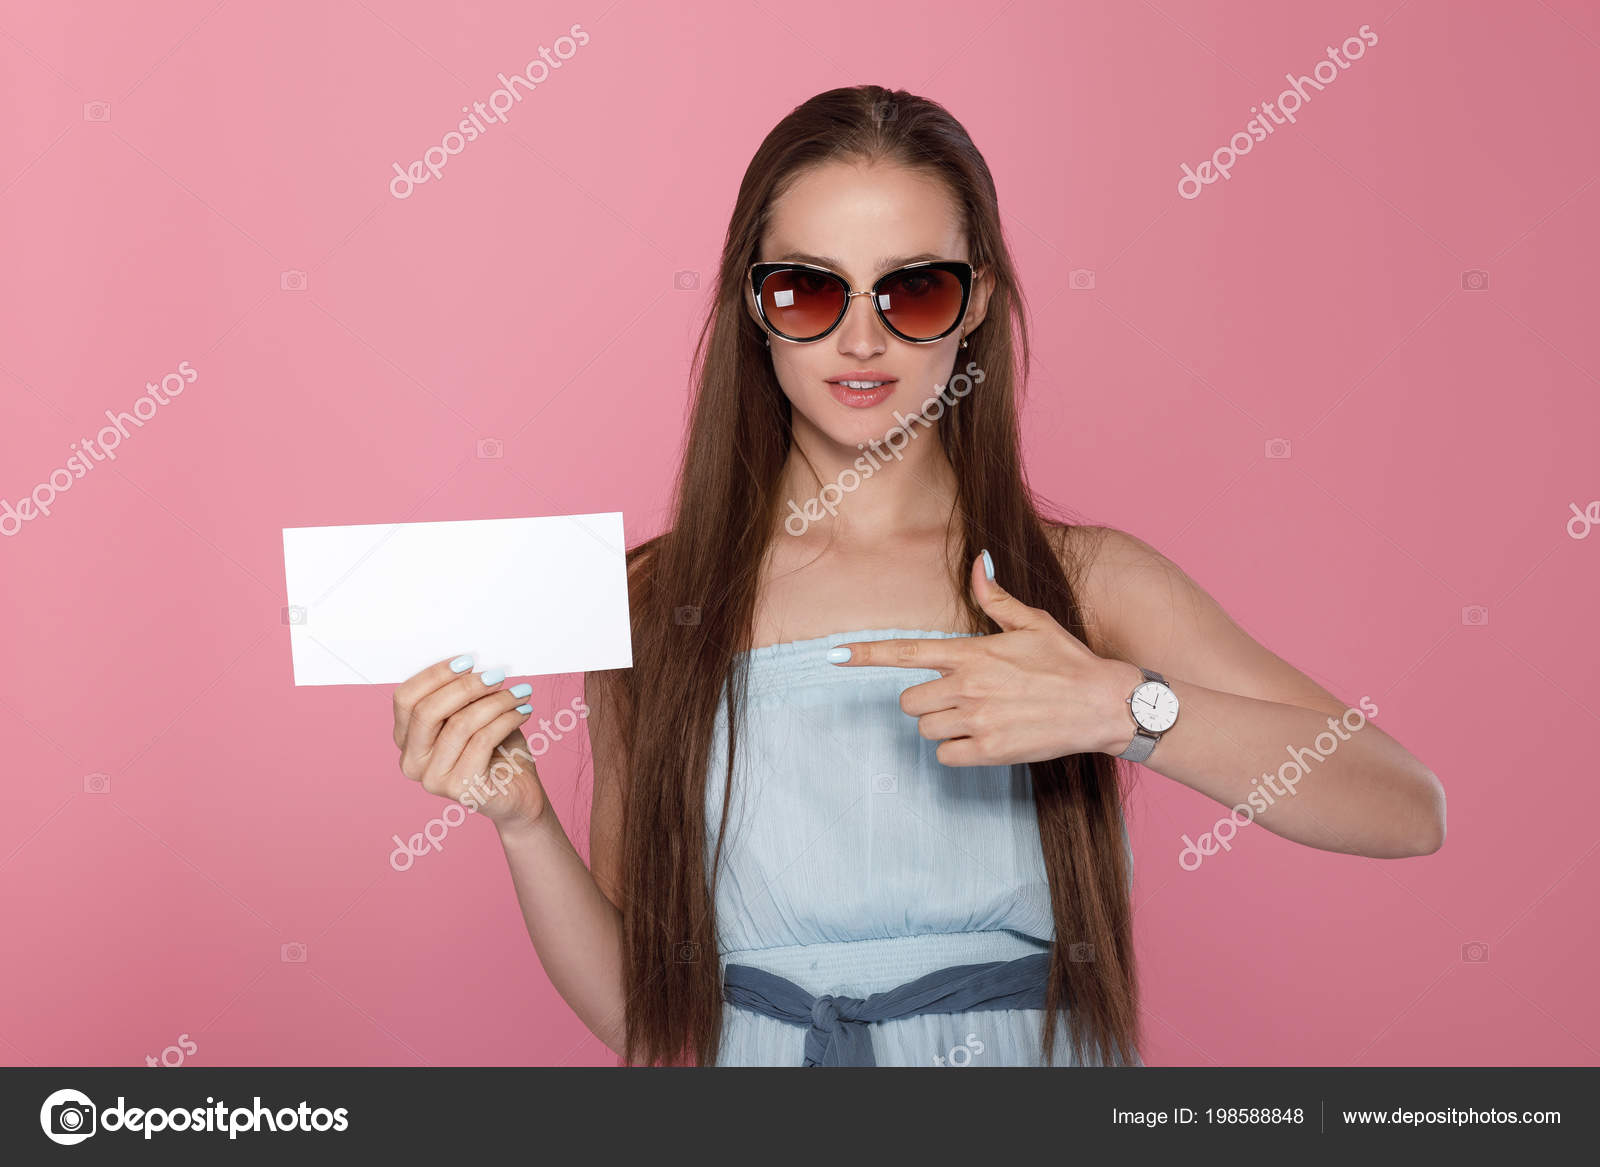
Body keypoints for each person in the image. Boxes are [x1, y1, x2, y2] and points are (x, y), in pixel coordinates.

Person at [389, 84, 1446, 1067]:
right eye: (808, 290)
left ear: (977, 297)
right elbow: (645, 1017)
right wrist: (522, 823)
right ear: (754, 303)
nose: (861, 336)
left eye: (915, 287)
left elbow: (1402, 806)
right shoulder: (653, 603)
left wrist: (1123, 708)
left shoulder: (1083, 581)